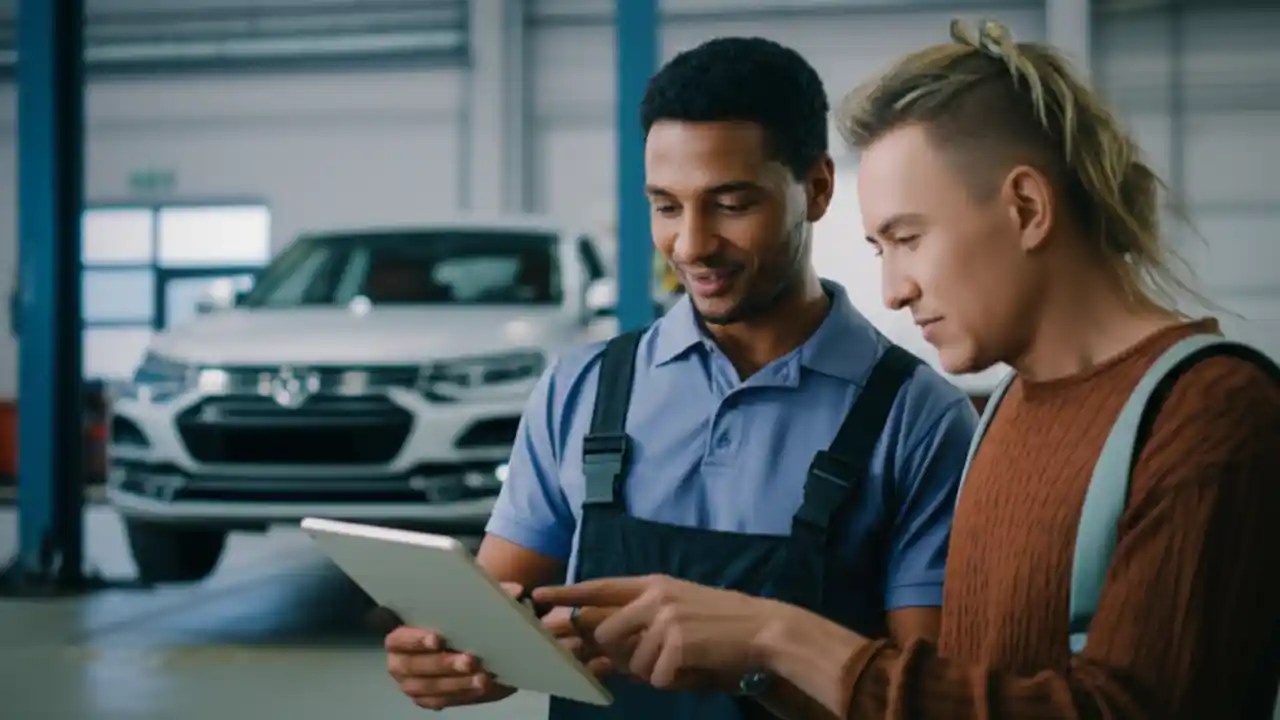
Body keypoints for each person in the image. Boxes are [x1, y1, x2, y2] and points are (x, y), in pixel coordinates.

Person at [533, 18, 1280, 720]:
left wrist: (778, 638)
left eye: (909, 238)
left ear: (1025, 207)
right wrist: (751, 668)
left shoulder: (1209, 409)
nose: (893, 289)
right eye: (880, 249)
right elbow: (955, 696)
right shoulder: (1013, 408)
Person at [383, 36, 979, 719]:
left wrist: (761, 657)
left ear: (816, 188)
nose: (691, 245)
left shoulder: (918, 419)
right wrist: (450, 660)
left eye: (730, 204)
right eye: (666, 206)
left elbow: (927, 703)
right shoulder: (581, 388)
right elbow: (494, 616)